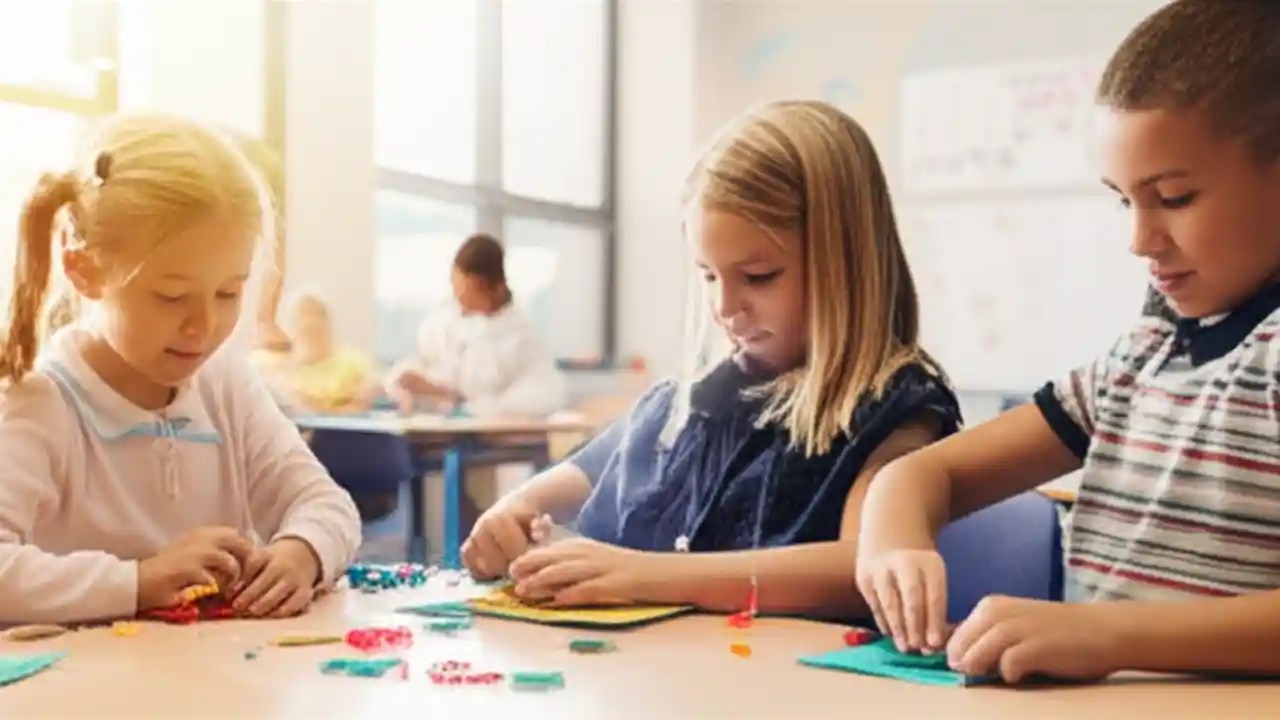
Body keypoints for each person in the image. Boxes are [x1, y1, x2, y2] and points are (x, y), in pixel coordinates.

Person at [857, 0, 1280, 682]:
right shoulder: (1142, 356)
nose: (1139, 240)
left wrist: (1110, 636)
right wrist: (893, 544)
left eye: (1174, 198)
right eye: (1124, 200)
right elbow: (920, 475)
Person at [465, 101, 961, 618]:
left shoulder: (895, 408)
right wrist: (513, 512)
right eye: (707, 275)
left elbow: (860, 566)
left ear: (847, 263)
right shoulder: (684, 402)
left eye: (759, 276)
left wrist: (641, 576)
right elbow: (577, 476)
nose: (724, 307)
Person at [0, 113, 361, 625]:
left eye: (228, 293)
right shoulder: (41, 403)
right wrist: (137, 581)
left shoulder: (225, 385)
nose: (204, 326)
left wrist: (302, 551)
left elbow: (324, 502)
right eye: (171, 296)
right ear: (82, 270)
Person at [384, 232, 565, 418]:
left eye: (469, 293)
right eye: (456, 288)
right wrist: (418, 384)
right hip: (443, 426)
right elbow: (428, 369)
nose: (461, 302)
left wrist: (469, 409)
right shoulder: (445, 323)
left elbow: (544, 397)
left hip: (492, 431)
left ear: (496, 288)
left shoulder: (522, 340)